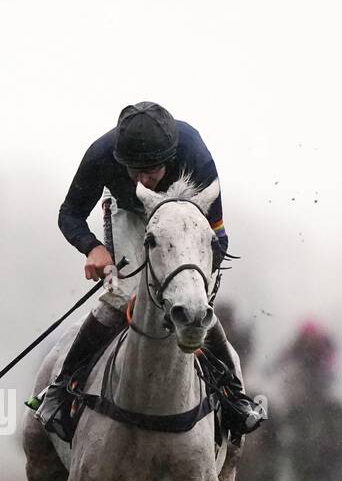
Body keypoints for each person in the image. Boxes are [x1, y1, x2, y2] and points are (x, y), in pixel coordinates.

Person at [35, 101, 266, 442]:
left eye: (152, 171)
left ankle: (234, 399)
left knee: (193, 299)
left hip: (185, 217)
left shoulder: (195, 156)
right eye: (134, 171)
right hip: (130, 214)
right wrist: (92, 247)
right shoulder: (101, 153)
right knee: (122, 295)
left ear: (171, 159)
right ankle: (62, 388)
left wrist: (187, 282)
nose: (143, 179)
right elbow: (69, 213)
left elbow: (218, 238)